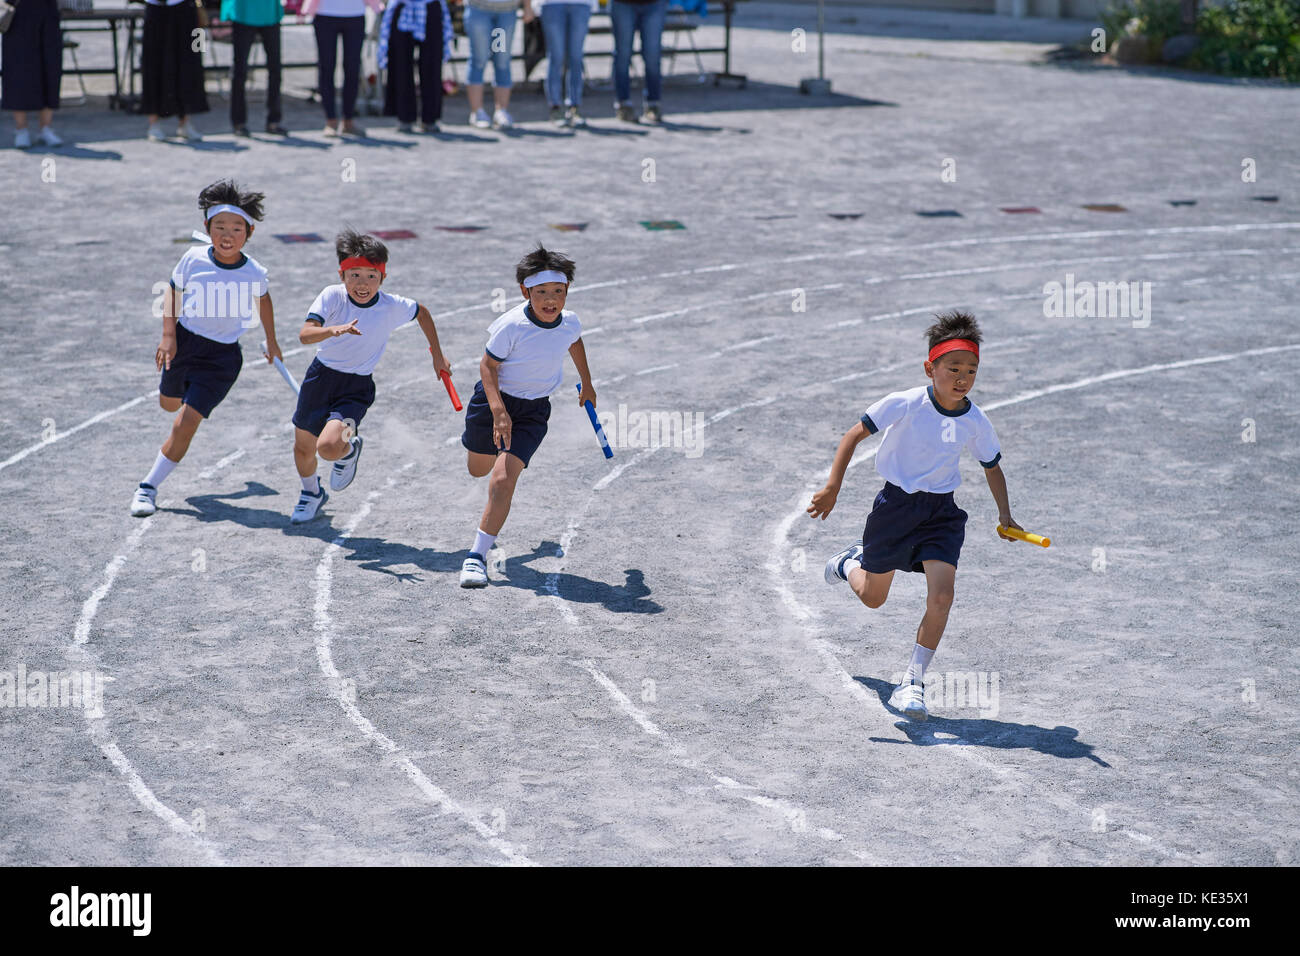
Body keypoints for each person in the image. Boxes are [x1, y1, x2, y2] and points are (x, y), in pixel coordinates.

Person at [808, 311, 1026, 721]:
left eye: (972, 370)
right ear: (931, 368)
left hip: (941, 514)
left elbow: (991, 467)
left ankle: (912, 682)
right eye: (953, 368)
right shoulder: (906, 403)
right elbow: (853, 434)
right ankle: (849, 562)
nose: (963, 377)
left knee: (943, 595)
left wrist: (1006, 515)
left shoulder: (976, 421)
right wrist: (833, 486)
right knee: (874, 598)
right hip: (895, 508)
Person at [131, 181, 282, 517]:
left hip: (223, 359)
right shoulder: (193, 258)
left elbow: (264, 299)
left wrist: (272, 340)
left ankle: (147, 487)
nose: (228, 235)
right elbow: (173, 291)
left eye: (236, 229)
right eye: (220, 227)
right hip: (184, 344)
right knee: (168, 404)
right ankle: (182, 399)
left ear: (250, 232)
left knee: (184, 422)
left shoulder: (254, 271)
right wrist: (168, 335)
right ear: (207, 228)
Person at [289, 229, 452, 523]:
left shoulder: (391, 306)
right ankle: (311, 493)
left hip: (356, 386)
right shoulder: (332, 297)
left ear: (383, 278)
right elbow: (304, 335)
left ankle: (349, 449)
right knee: (303, 446)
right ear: (342, 275)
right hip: (320, 378)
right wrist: (332, 329)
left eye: (370, 276)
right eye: (354, 275)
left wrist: (437, 354)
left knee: (327, 448)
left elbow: (422, 313)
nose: (362, 284)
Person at [458, 245, 595, 587]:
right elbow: (488, 366)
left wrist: (588, 383)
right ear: (525, 292)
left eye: (558, 292)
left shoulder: (570, 321)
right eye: (542, 293)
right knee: (479, 468)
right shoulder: (511, 325)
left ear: (567, 291)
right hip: (494, 404)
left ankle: (476, 557)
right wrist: (499, 412)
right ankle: (492, 528)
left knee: (502, 482)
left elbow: (574, 341)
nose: (551, 300)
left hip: (534, 411)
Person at [301, 0, 382, 136]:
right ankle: (330, 120)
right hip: (325, 13)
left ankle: (348, 120)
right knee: (326, 68)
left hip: (355, 14)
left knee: (353, 68)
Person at [378, 0, 454, 133]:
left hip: (430, 6)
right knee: (401, 66)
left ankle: (430, 118)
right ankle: (404, 117)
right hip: (402, 6)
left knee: (432, 65)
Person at [140, 0, 210, 140]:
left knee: (188, 64)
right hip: (156, 8)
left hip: (184, 8)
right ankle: (153, 123)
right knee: (153, 63)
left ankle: (185, 122)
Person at [462, 0, 535, 130]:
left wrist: (527, 6)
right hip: (479, 9)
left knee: (501, 60)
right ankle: (477, 112)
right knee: (479, 60)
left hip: (505, 12)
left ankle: (501, 111)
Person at [1, 0, 64, 148]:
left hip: (48, 11)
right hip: (19, 11)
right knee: (18, 71)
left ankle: (46, 128)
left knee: (51, 67)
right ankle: (21, 129)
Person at [222, 0, 286, 136]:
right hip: (243, 14)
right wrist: (226, 10)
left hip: (270, 15)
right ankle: (238, 122)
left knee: (275, 70)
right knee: (240, 71)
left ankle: (274, 120)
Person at [537, 0, 594, 128]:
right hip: (552, 4)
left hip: (581, 4)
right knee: (556, 57)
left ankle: (574, 107)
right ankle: (555, 108)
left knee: (576, 57)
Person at [609, 0, 666, 124]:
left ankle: (653, 104)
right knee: (623, 55)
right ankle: (623, 104)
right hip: (622, 4)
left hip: (654, 4)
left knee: (653, 55)